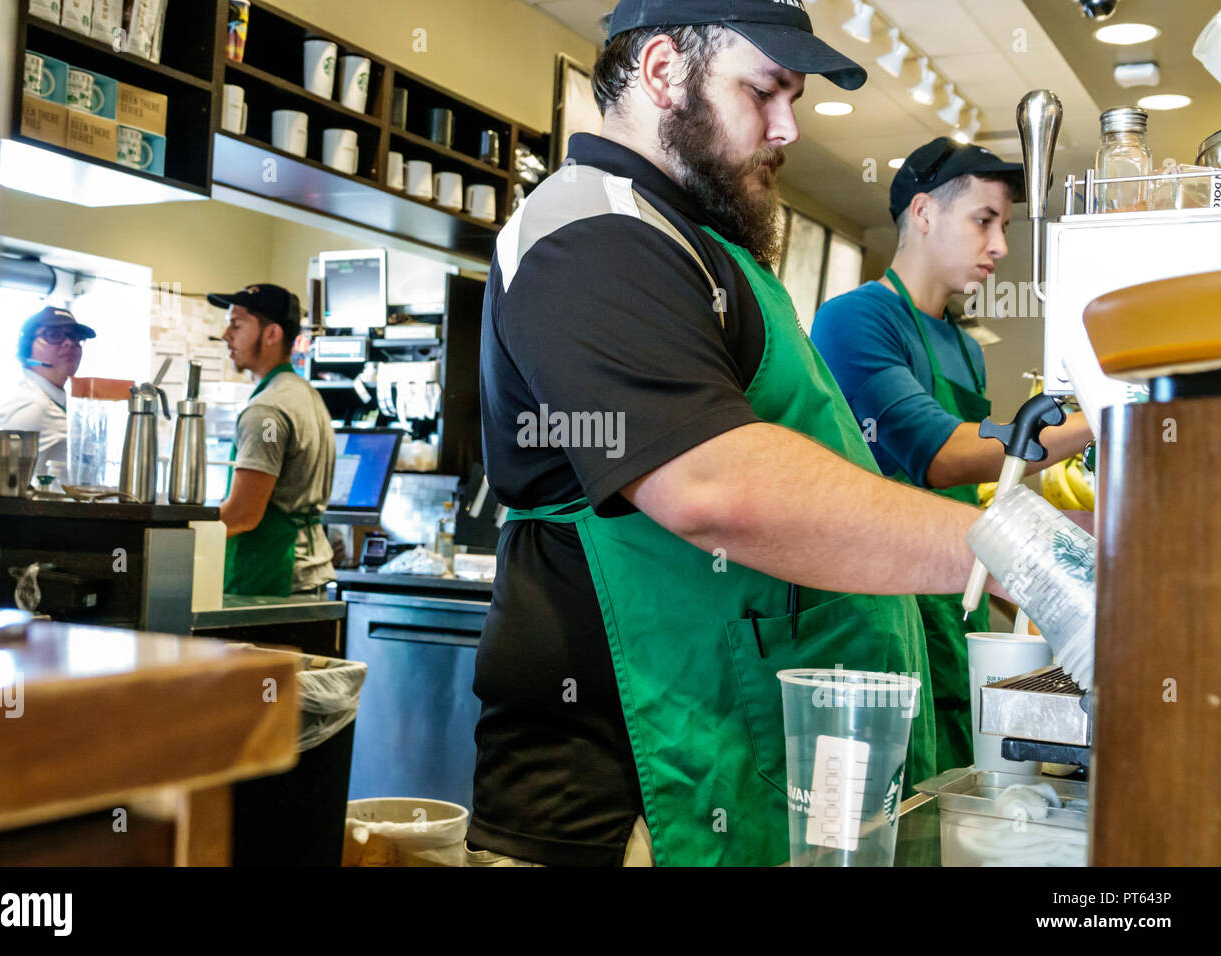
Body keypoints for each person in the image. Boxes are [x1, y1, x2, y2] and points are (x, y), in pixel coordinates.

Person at [468, 0, 1013, 868]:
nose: (788, 126)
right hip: (632, 795)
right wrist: (1021, 550)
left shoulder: (704, 245)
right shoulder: (590, 230)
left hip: (733, 755)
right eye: (765, 92)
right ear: (660, 70)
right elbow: (716, 487)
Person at [811, 138, 1093, 773]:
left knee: (960, 783)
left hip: (953, 600)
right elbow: (940, 454)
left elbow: (998, 472)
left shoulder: (964, 348)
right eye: (984, 221)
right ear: (923, 213)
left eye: (1005, 227)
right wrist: (1103, 417)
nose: (1000, 246)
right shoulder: (854, 320)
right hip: (881, 603)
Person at [209, 283, 337, 597]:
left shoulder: (266, 410)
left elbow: (242, 515)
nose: (226, 335)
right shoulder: (305, 395)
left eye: (237, 325)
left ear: (272, 334)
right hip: (311, 575)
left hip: (273, 577)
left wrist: (173, 535)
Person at [0, 305, 96, 475]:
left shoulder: (56, 400)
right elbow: (8, 486)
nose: (69, 343)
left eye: (76, 337)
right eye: (54, 336)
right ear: (27, 348)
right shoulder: (30, 405)